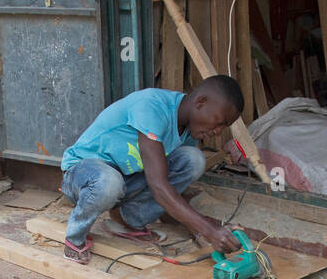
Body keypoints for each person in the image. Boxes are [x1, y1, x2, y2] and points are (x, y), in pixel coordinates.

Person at [59, 75, 245, 263]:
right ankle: (75, 238)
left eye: (225, 126)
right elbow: (159, 186)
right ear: (201, 102)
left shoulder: (188, 130)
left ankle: (127, 220)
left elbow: (163, 180)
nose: (219, 131)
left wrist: (199, 225)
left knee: (193, 159)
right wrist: (209, 230)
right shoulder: (152, 106)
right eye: (219, 121)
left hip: (123, 181)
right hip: (82, 174)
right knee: (109, 182)